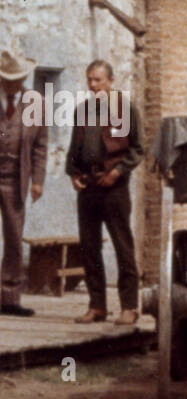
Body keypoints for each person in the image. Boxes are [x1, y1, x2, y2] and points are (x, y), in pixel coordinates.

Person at [66, 60, 144, 325]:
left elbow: (137, 149)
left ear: (111, 81)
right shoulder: (83, 111)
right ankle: (97, 306)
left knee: (123, 246)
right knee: (89, 247)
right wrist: (74, 174)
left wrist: (117, 172)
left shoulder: (124, 110)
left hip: (114, 187)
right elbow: (74, 148)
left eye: (98, 80)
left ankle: (130, 306)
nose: (93, 85)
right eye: (89, 80)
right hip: (88, 187)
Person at [0, 46, 47, 317]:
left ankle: (9, 298)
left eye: (17, 78)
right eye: (7, 78)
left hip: (15, 179)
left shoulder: (35, 103)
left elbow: (41, 145)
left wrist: (38, 180)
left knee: (14, 239)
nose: (13, 83)